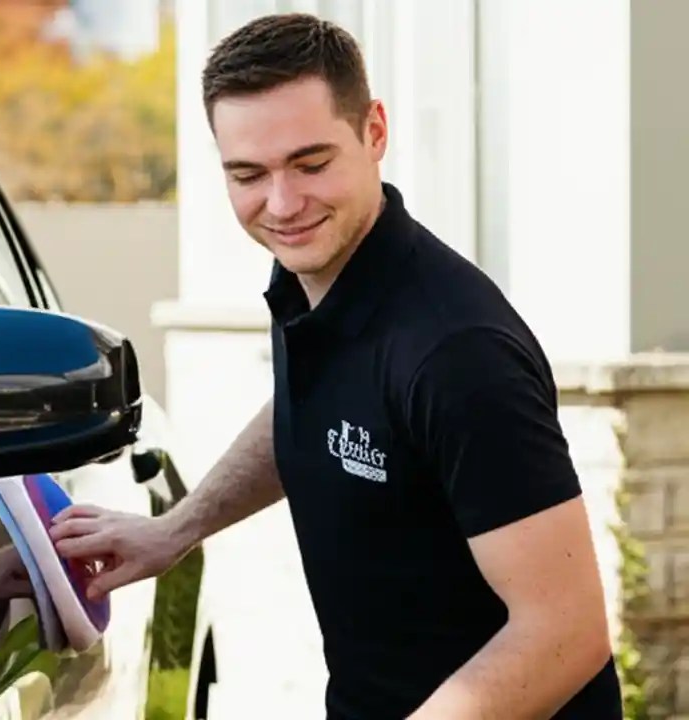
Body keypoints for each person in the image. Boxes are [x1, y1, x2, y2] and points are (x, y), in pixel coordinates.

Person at [49, 12, 623, 720]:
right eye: (248, 174)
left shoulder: (456, 354)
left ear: (374, 132)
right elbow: (318, 408)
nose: (283, 205)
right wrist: (178, 529)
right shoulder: (316, 284)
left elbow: (565, 635)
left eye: (311, 164)